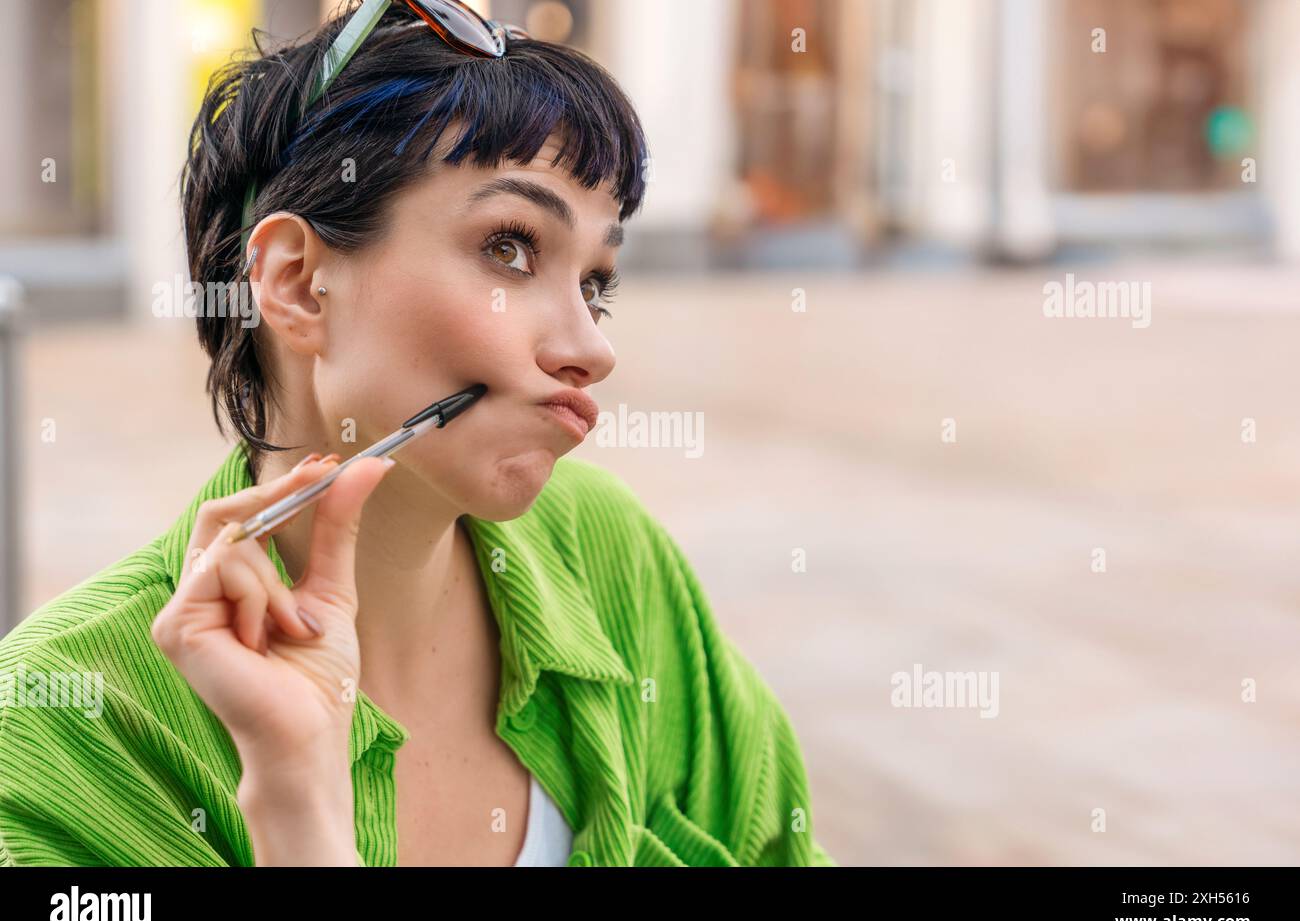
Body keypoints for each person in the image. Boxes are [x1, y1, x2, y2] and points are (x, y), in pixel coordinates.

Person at [0, 0, 834, 867]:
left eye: (596, 282)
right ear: (296, 286)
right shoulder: (61, 724)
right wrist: (296, 813)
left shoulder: (608, 553)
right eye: (510, 249)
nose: (592, 349)